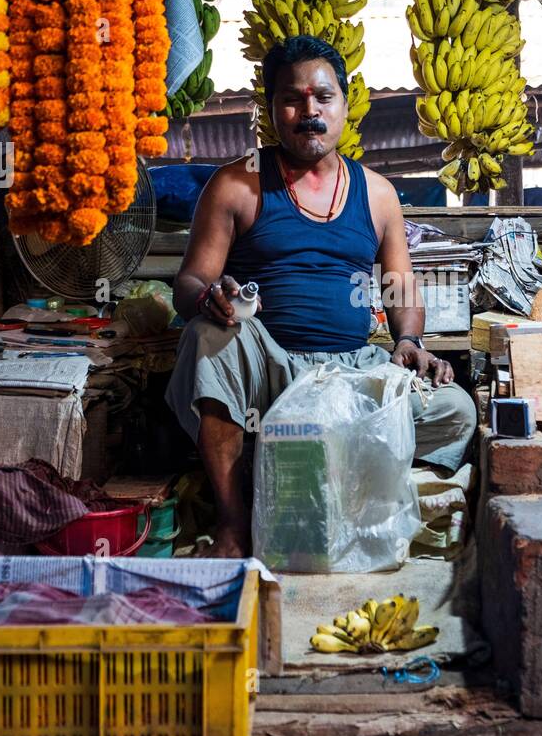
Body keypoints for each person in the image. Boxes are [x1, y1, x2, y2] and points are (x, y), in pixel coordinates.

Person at [166, 34, 477, 556]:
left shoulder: (377, 193)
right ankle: (234, 519)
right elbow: (188, 284)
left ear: (345, 105)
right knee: (207, 338)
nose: (309, 111)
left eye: (323, 97)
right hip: (269, 376)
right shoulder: (234, 185)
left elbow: (399, 285)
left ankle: (338, 487)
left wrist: (410, 341)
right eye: (292, 99)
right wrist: (208, 298)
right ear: (271, 109)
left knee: (455, 410)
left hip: (349, 374)